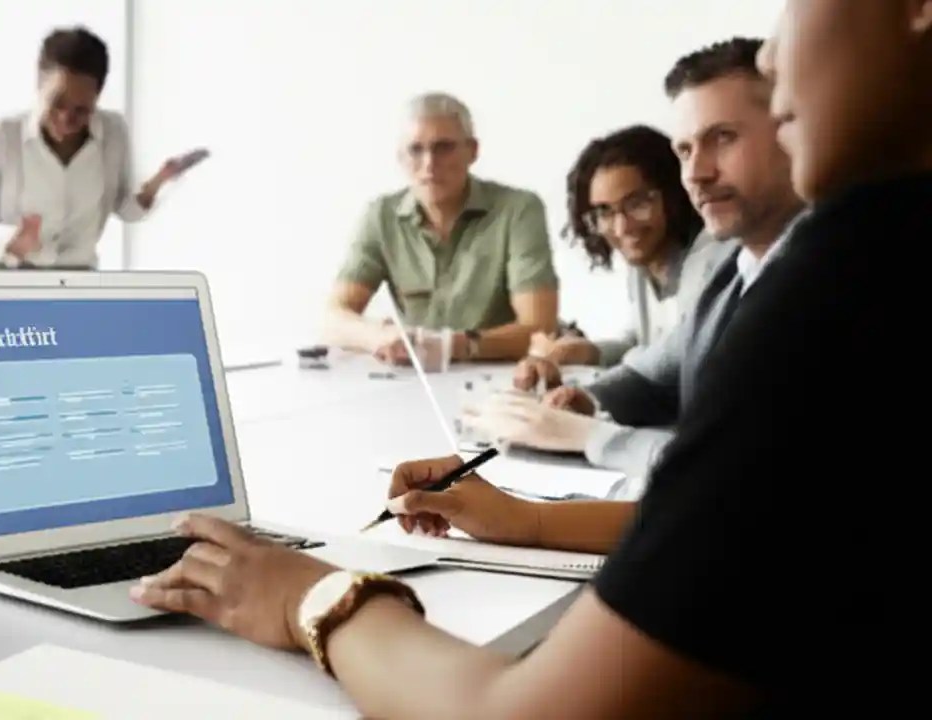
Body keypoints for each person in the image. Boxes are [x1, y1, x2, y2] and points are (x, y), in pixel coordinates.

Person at [126, 1, 920, 714]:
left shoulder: (854, 281)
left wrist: (312, 596)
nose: (774, 56)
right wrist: (531, 519)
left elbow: (522, 715)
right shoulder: (816, 268)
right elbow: (758, 520)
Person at [503, 37, 806, 487]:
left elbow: (748, 467)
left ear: (792, 128)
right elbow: (657, 374)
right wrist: (579, 399)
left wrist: (592, 438)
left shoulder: (837, 270)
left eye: (723, 138)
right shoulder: (729, 268)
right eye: (685, 150)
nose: (696, 173)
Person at [323, 92, 560, 365]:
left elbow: (540, 329)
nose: (429, 164)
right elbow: (332, 319)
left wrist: (454, 346)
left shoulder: (518, 210)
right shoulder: (381, 216)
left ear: (473, 151)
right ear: (400, 157)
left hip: (498, 379)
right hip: (415, 384)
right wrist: (379, 336)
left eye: (443, 147)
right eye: (416, 149)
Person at [0, 25, 207, 270]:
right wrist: (11, 240)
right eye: (56, 102)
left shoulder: (113, 132)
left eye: (81, 110)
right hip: (11, 278)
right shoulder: (5, 136)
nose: (65, 118)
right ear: (39, 84)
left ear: (98, 96)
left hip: (80, 280)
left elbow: (125, 208)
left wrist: (158, 182)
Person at [528, 124, 726, 368]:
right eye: (605, 212)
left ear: (674, 193)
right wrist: (588, 352)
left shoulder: (711, 259)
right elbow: (641, 344)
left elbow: (676, 359)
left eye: (637, 204)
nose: (622, 228)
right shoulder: (645, 262)